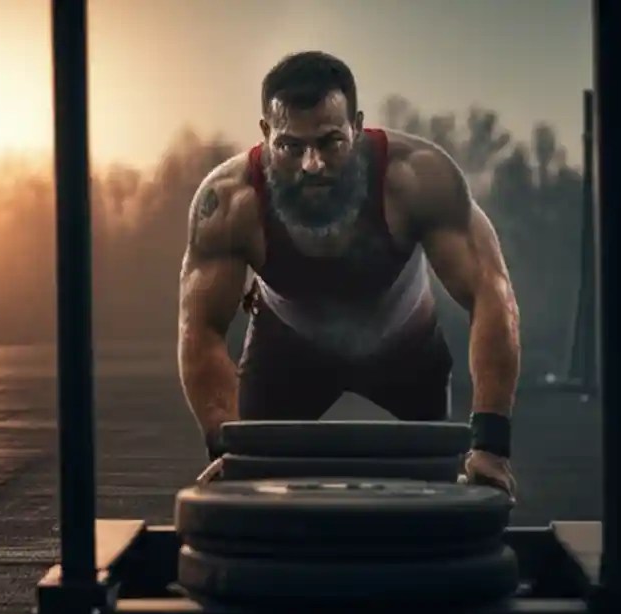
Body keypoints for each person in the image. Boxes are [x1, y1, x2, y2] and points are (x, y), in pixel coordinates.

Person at [177, 51, 521, 498]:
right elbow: (199, 329)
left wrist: (491, 444)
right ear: (265, 133)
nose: (311, 165)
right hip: (286, 353)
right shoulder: (230, 202)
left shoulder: (416, 176)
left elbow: (491, 294)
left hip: (406, 347)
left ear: (357, 128)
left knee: (440, 485)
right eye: (291, 146)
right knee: (245, 475)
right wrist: (223, 445)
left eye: (330, 142)